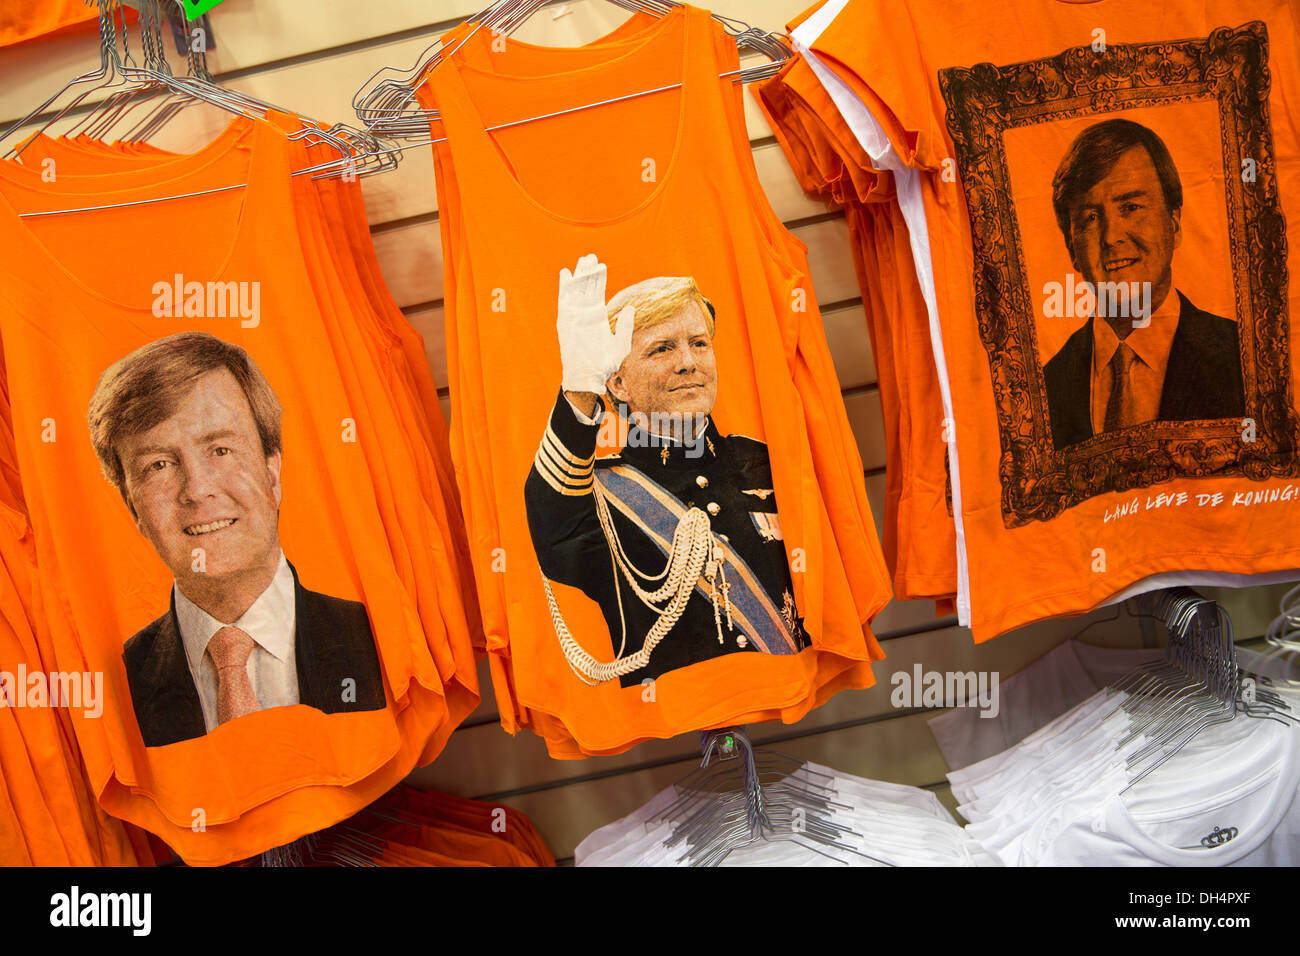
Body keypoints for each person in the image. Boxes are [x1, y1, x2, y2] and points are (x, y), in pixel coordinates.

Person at [87, 332, 385, 748]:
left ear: (273, 471)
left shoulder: (376, 637)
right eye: (159, 465)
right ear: (132, 506)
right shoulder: (110, 690)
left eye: (220, 450)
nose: (197, 490)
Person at [524, 255, 807, 687]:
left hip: (790, 696)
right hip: (677, 714)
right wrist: (580, 393)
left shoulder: (763, 461)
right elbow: (553, 528)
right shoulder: (601, 496)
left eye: (699, 343)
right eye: (662, 349)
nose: (689, 362)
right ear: (618, 383)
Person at [1043, 118, 1244, 450]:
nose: (1112, 237)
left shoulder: (1244, 357)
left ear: (1174, 224)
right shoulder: (1045, 388)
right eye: (1090, 218)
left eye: (1131, 207)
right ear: (1071, 249)